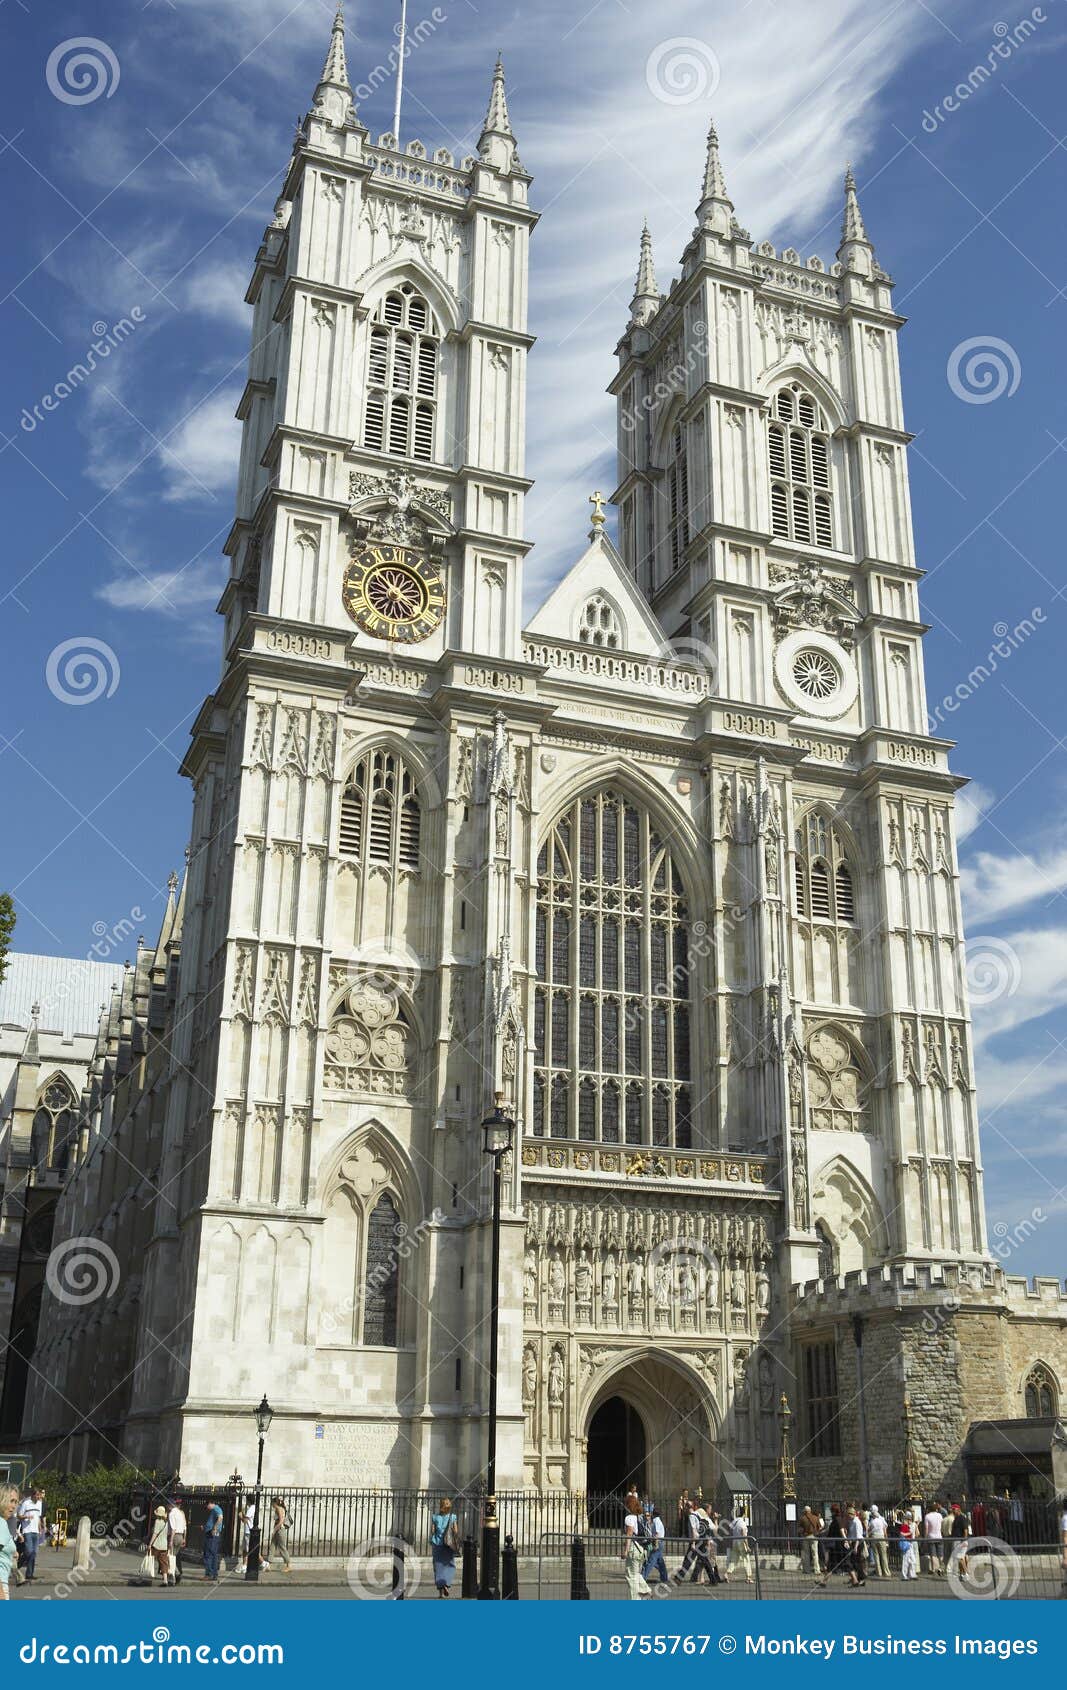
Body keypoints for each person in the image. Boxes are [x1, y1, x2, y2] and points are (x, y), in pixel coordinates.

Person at [429, 1496, 459, 1597]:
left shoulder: (435, 1517)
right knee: (450, 1565)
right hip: (448, 1545)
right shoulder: (453, 1517)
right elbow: (456, 1531)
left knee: (438, 1567)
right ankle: (446, 1584)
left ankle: (441, 1593)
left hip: (437, 1544)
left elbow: (432, 1531)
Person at [622, 1503, 650, 1599]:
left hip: (634, 1548)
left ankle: (635, 1599)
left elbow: (629, 1535)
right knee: (636, 1573)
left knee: (631, 1576)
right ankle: (646, 1591)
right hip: (642, 1548)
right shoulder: (640, 1517)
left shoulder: (629, 1518)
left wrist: (625, 1551)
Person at [16, 1490, 44, 1583]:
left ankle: (29, 1574)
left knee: (34, 1553)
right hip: (27, 1530)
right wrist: (26, 1517)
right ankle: (19, 1564)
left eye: (40, 1495)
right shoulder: (26, 1503)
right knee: (29, 1551)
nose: (39, 1497)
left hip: (35, 1531)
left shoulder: (39, 1504)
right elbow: (19, 1516)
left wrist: (40, 1528)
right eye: (37, 1495)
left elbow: (38, 1517)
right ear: (33, 1495)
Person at [640, 1503, 668, 1587]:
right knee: (660, 1562)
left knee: (650, 1561)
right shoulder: (658, 1521)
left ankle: (643, 1578)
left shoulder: (656, 1521)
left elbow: (656, 1534)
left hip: (657, 1542)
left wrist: (654, 1543)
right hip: (660, 1542)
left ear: (653, 1513)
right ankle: (664, 1578)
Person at [724, 1508, 754, 1584]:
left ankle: (727, 1573)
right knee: (746, 1559)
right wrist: (747, 1546)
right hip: (741, 1542)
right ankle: (748, 1577)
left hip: (735, 1541)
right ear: (744, 1514)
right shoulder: (742, 1523)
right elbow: (744, 1535)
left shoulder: (734, 1521)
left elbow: (730, 1529)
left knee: (734, 1560)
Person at [0, 1489, 18, 1600]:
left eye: (16, 1502)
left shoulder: (3, 1523)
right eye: (11, 1501)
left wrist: (12, 1553)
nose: (13, 1506)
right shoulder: (1, 1523)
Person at [267, 1497, 291, 1573]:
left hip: (280, 1530)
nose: (271, 1505)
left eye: (271, 1503)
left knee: (282, 1547)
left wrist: (274, 1530)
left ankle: (288, 1565)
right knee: (272, 1546)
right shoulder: (279, 1508)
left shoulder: (278, 1509)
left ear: (274, 1503)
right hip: (278, 1529)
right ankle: (268, 1565)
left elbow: (280, 1521)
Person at [202, 1496, 224, 1581]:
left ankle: (209, 1574)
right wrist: (206, 1527)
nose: (207, 1507)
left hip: (212, 1535)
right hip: (212, 1534)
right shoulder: (214, 1510)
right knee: (213, 1554)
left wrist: (214, 1528)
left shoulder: (216, 1509)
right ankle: (213, 1574)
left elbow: (220, 1518)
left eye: (207, 1505)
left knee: (208, 1554)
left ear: (211, 1503)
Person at [167, 1498, 187, 1587]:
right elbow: (184, 1527)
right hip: (181, 1536)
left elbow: (173, 1528)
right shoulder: (180, 1513)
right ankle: (175, 1574)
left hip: (174, 1536)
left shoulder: (172, 1513)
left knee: (169, 1557)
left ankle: (175, 1575)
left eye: (167, 1505)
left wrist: (170, 1540)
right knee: (173, 1557)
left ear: (170, 1505)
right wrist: (183, 1538)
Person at [922, 1500, 945, 1576]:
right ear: (936, 1509)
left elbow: (926, 1528)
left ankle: (935, 1568)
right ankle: (940, 1568)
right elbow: (941, 1525)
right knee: (940, 1554)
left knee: (933, 1554)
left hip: (931, 1536)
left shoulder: (927, 1516)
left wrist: (925, 1538)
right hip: (939, 1536)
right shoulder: (939, 1515)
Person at [846, 1506, 867, 1586]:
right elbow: (851, 1534)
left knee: (857, 1561)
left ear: (852, 1514)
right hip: (854, 1542)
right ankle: (858, 1578)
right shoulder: (851, 1521)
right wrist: (849, 1541)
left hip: (858, 1543)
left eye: (849, 1515)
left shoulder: (856, 1522)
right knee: (854, 1561)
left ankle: (861, 1578)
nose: (848, 1517)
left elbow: (858, 1535)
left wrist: (855, 1547)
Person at [149, 1506, 171, 1584]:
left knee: (150, 1558)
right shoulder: (167, 1523)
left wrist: (150, 1543)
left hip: (156, 1544)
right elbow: (168, 1533)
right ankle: (165, 1580)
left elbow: (155, 1533)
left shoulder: (157, 1521)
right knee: (164, 1562)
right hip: (164, 1545)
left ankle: (150, 1574)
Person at [948, 1502, 970, 1576]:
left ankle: (966, 1573)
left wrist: (964, 1540)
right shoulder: (956, 1518)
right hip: (957, 1540)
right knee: (959, 1558)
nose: (953, 1511)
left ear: (958, 1509)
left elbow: (965, 1530)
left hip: (961, 1541)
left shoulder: (962, 1518)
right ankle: (962, 1573)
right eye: (952, 1509)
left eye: (954, 1509)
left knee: (960, 1557)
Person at [798, 1506, 822, 1575]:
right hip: (814, 1536)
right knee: (815, 1553)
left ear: (805, 1511)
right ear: (810, 1510)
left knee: (806, 1554)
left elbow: (800, 1529)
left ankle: (807, 1570)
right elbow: (819, 1527)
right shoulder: (815, 1517)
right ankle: (817, 1570)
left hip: (806, 1537)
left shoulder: (802, 1518)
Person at [867, 1506, 889, 1578]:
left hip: (874, 1537)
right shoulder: (882, 1519)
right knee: (883, 1555)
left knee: (876, 1555)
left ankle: (879, 1572)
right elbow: (885, 1530)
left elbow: (868, 1530)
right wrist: (886, 1540)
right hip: (881, 1537)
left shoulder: (871, 1521)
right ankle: (886, 1572)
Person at [899, 1512, 919, 1580]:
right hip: (906, 1544)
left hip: (910, 1544)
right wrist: (909, 1533)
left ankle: (912, 1574)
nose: (909, 1521)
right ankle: (904, 1575)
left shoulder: (907, 1526)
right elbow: (901, 1534)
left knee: (912, 1560)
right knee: (906, 1560)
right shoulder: (903, 1526)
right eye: (908, 1519)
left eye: (910, 1519)